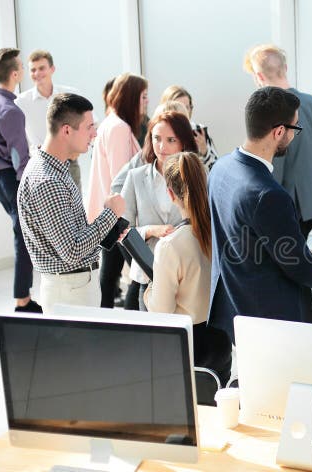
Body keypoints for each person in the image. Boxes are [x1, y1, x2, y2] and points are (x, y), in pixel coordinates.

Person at [208, 86, 312, 343]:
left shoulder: (220, 168)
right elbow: (294, 262)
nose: (294, 135)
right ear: (279, 132)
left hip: (231, 308)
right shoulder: (267, 194)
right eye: (295, 128)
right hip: (267, 318)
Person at [17, 93, 126, 310]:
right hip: (70, 291)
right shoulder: (48, 181)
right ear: (67, 130)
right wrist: (110, 215)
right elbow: (72, 250)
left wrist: (107, 230)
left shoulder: (55, 168)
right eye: (89, 127)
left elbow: (72, 235)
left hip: (72, 286)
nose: (95, 134)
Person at [144, 151, 232, 384]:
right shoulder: (223, 231)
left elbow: (161, 311)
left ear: (171, 194)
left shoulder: (170, 246)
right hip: (221, 339)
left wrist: (149, 289)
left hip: (189, 346)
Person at [243, 44, 312, 238]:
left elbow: (273, 165)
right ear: (285, 68)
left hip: (283, 206)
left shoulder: (269, 111)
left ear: (259, 77)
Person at [0, 48, 40, 313]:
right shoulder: (11, 111)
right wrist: (30, 189)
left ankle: (23, 294)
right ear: (15, 74)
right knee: (23, 239)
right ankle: (22, 300)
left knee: (21, 236)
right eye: (23, 68)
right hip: (13, 181)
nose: (25, 72)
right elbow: (19, 159)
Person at [121, 111, 197, 310]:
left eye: (171, 140)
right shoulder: (135, 177)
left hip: (187, 273)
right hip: (148, 276)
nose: (162, 147)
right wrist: (150, 230)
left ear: (183, 142)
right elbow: (121, 230)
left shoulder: (196, 176)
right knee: (151, 339)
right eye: (157, 138)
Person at [86, 72, 148, 308]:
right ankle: (132, 321)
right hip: (118, 216)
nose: (146, 102)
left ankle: (106, 320)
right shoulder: (119, 128)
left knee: (110, 271)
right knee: (139, 273)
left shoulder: (112, 123)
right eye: (143, 97)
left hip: (110, 214)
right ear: (131, 97)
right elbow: (121, 177)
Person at [15, 50, 86, 191]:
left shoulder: (69, 95)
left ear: (52, 69)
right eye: (33, 70)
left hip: (68, 164)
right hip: (41, 166)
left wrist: (77, 150)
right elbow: (14, 136)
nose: (37, 73)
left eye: (41, 68)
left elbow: (89, 124)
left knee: (76, 211)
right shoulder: (21, 102)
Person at [159, 85, 219, 169]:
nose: (184, 111)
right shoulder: (158, 132)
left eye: (187, 107)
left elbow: (216, 169)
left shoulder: (199, 131)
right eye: (178, 107)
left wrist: (204, 151)